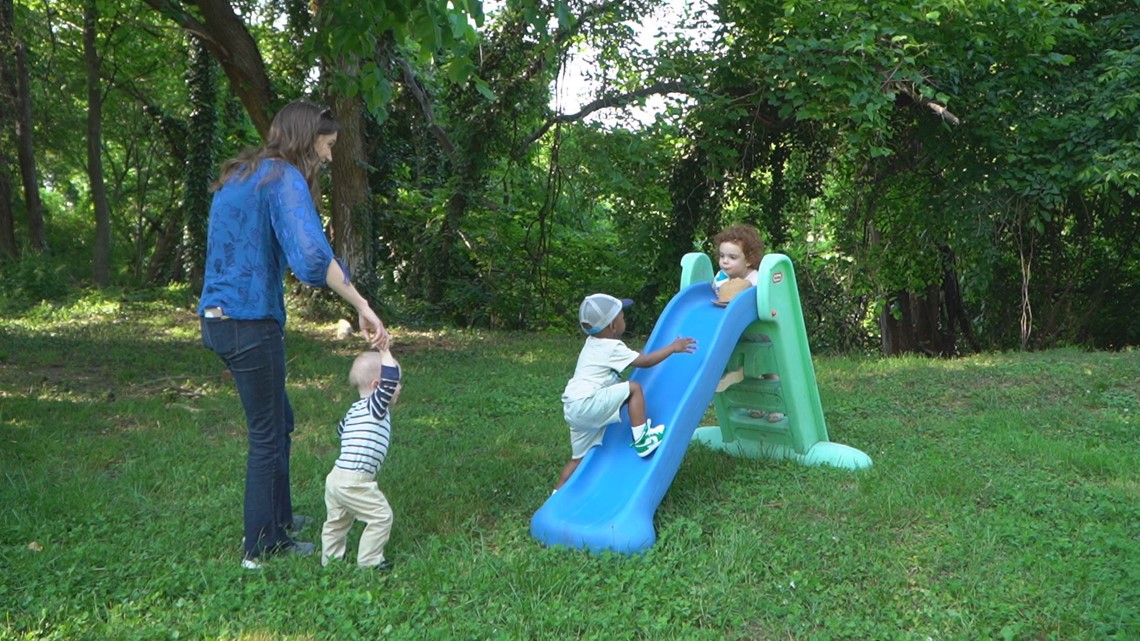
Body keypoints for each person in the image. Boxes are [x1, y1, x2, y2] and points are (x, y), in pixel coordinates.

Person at [198, 100, 388, 570]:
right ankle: (261, 546)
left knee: (279, 419)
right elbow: (311, 256)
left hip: (221, 319)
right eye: (327, 145)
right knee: (267, 433)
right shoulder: (281, 176)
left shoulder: (244, 173)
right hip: (249, 323)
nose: (329, 156)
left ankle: (278, 518)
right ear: (308, 139)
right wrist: (361, 305)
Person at [556, 294, 698, 490]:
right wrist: (673, 347)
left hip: (573, 406)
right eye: (622, 316)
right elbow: (645, 362)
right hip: (588, 401)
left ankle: (556, 495)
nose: (625, 319)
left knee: (578, 459)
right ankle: (642, 439)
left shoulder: (592, 343)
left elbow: (630, 356)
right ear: (613, 326)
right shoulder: (612, 347)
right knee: (634, 388)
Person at [321, 350, 401, 571]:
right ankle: (370, 561)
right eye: (397, 384)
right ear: (377, 386)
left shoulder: (354, 409)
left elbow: (341, 431)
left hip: (336, 477)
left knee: (336, 522)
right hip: (355, 480)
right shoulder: (375, 406)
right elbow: (389, 380)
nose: (399, 387)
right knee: (381, 517)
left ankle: (330, 562)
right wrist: (385, 350)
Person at [711, 224, 765, 296]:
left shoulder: (757, 281)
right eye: (722, 256)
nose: (725, 261)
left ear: (749, 260)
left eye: (732, 257)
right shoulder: (720, 277)